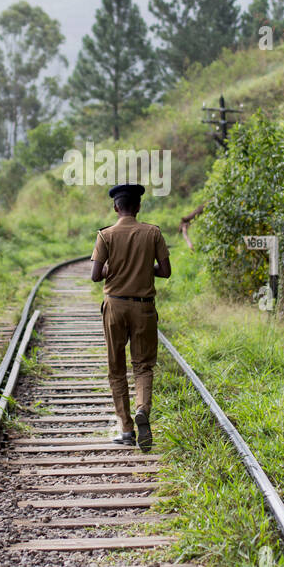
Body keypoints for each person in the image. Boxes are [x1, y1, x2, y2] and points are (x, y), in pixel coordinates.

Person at [90, 183, 171, 452]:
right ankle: (142, 409)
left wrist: (114, 269)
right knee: (143, 366)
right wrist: (145, 267)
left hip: (114, 307)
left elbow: (95, 274)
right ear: (138, 206)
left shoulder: (105, 236)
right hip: (144, 307)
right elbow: (166, 271)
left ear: (116, 207)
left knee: (116, 368)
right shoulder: (153, 233)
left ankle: (126, 428)